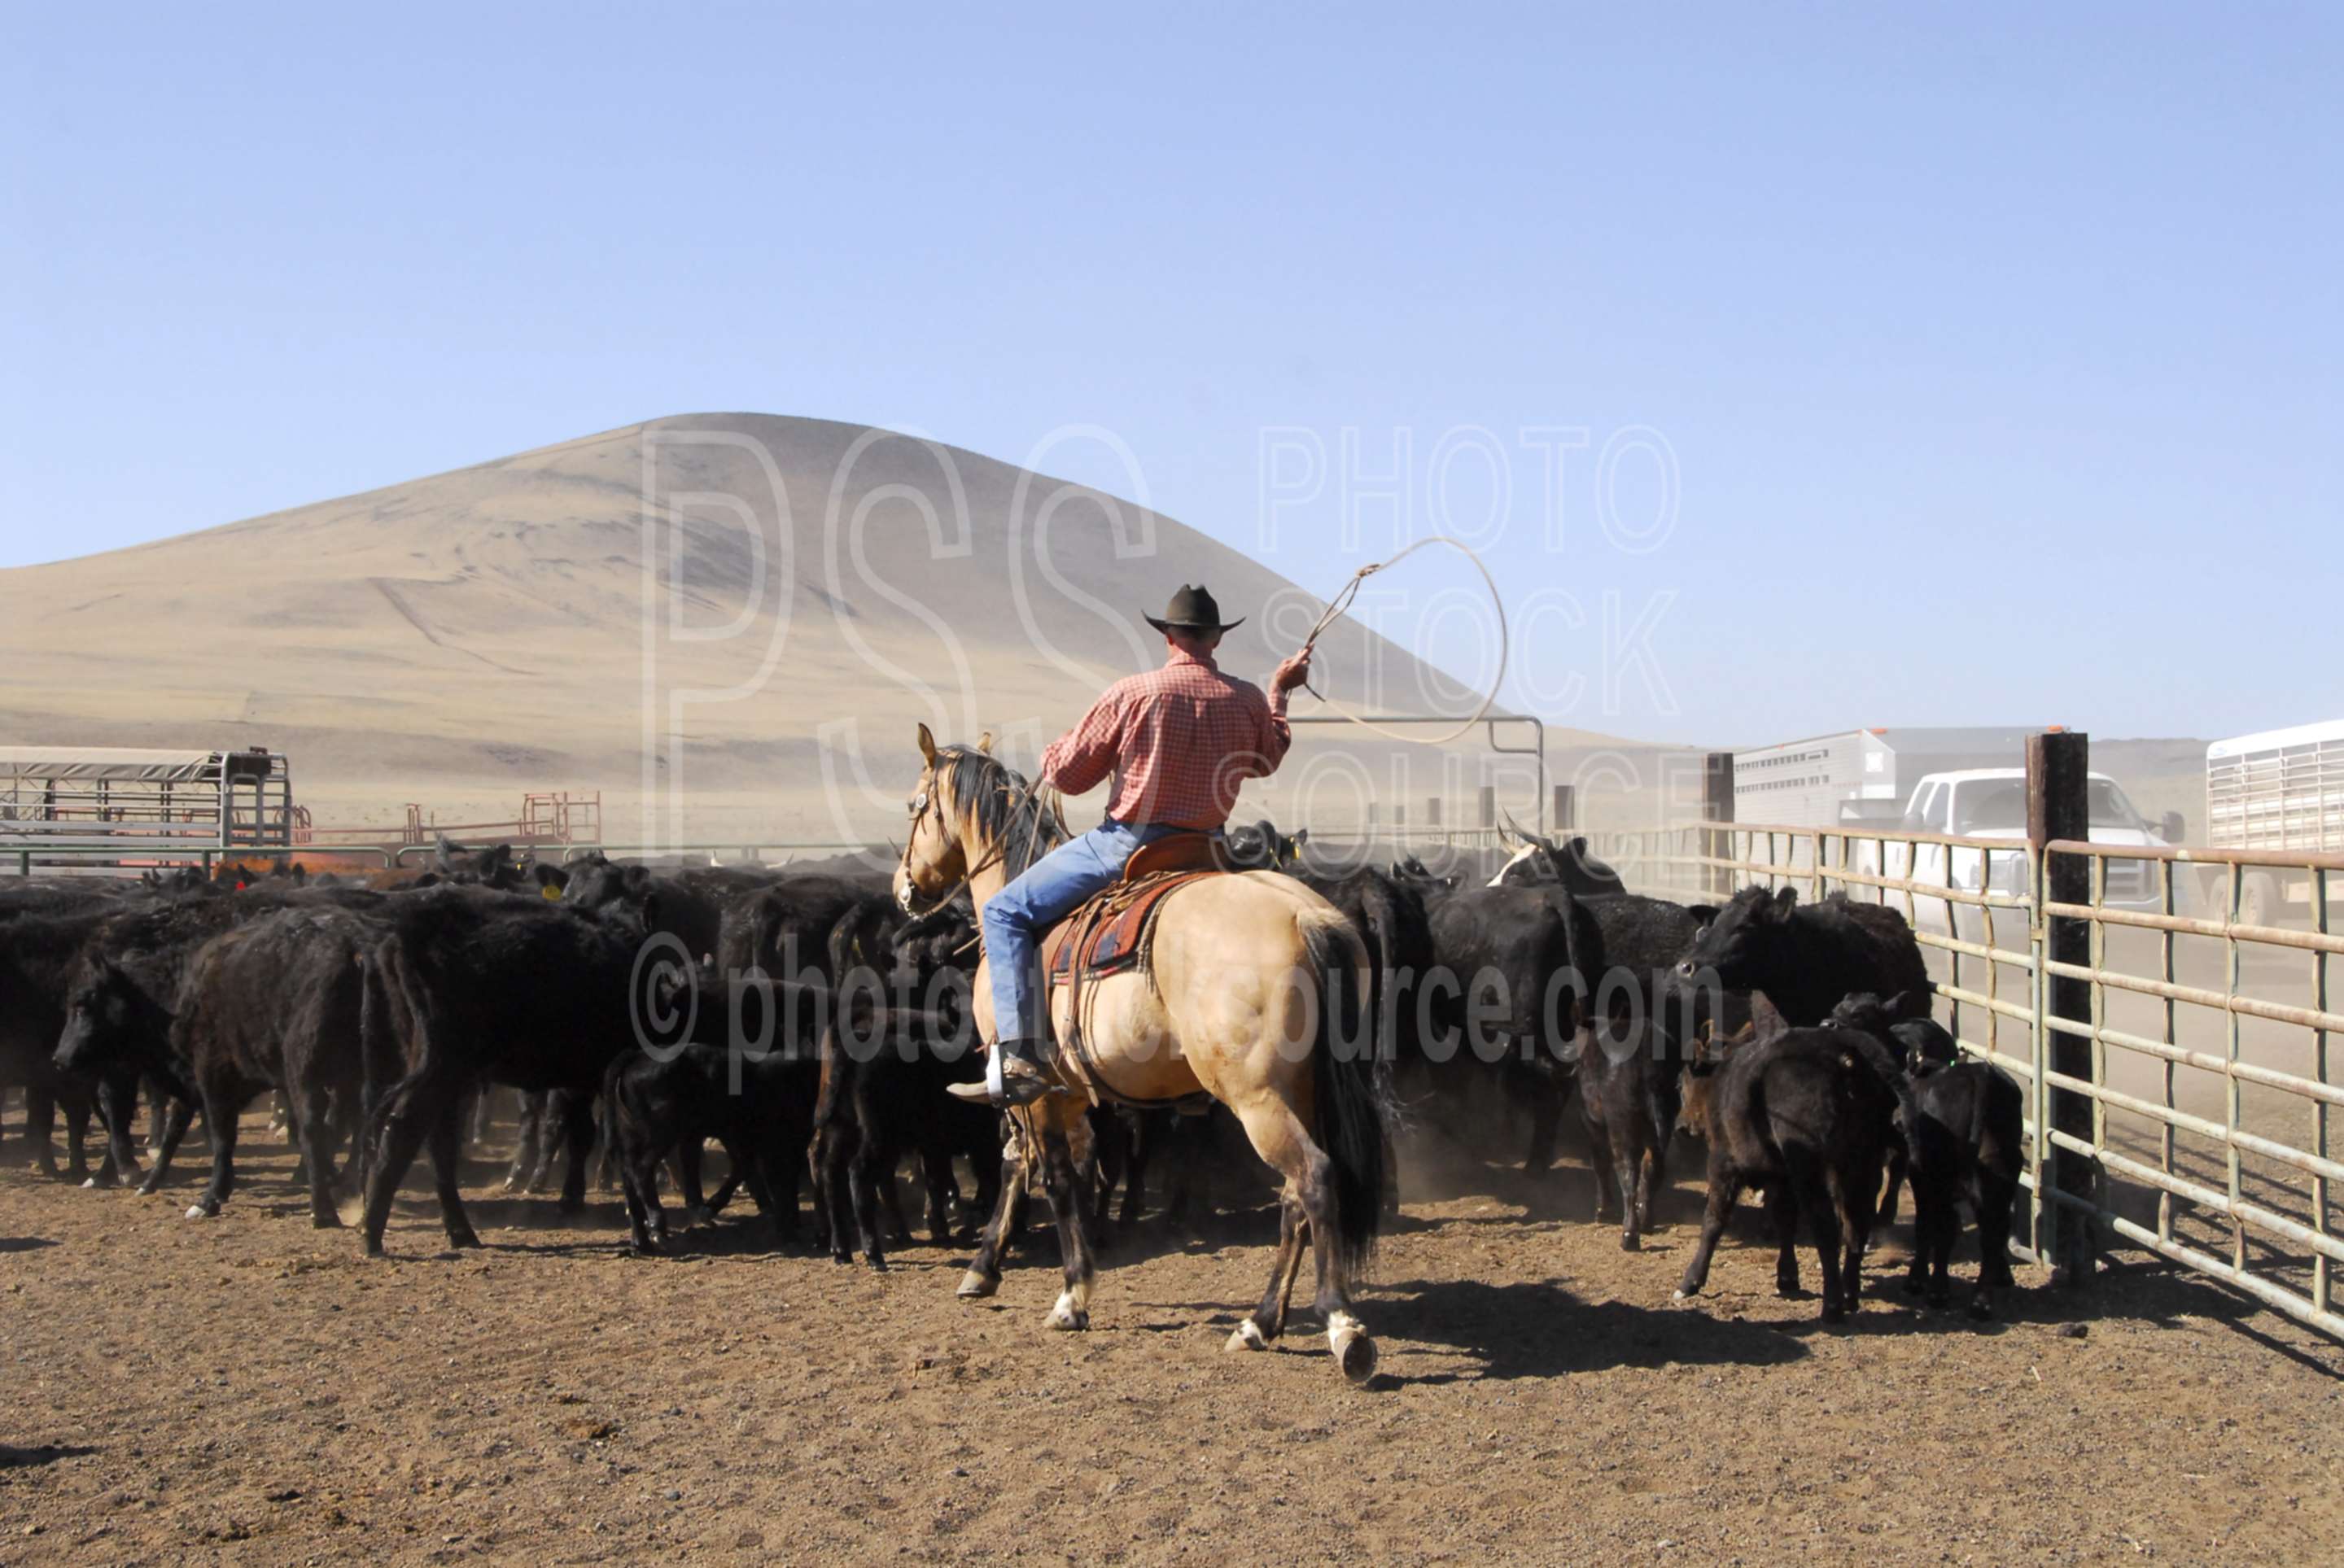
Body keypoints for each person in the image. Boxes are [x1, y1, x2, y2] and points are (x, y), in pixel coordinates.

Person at [947, 584, 1312, 1107]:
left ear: (1168, 637)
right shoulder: (1246, 699)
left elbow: (1067, 777)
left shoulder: (1132, 693)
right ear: (1215, 639)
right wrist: (1281, 689)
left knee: (1005, 911)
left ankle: (1018, 1056)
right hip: (1207, 852)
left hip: (1127, 847)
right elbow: (1269, 757)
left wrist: (1056, 752)